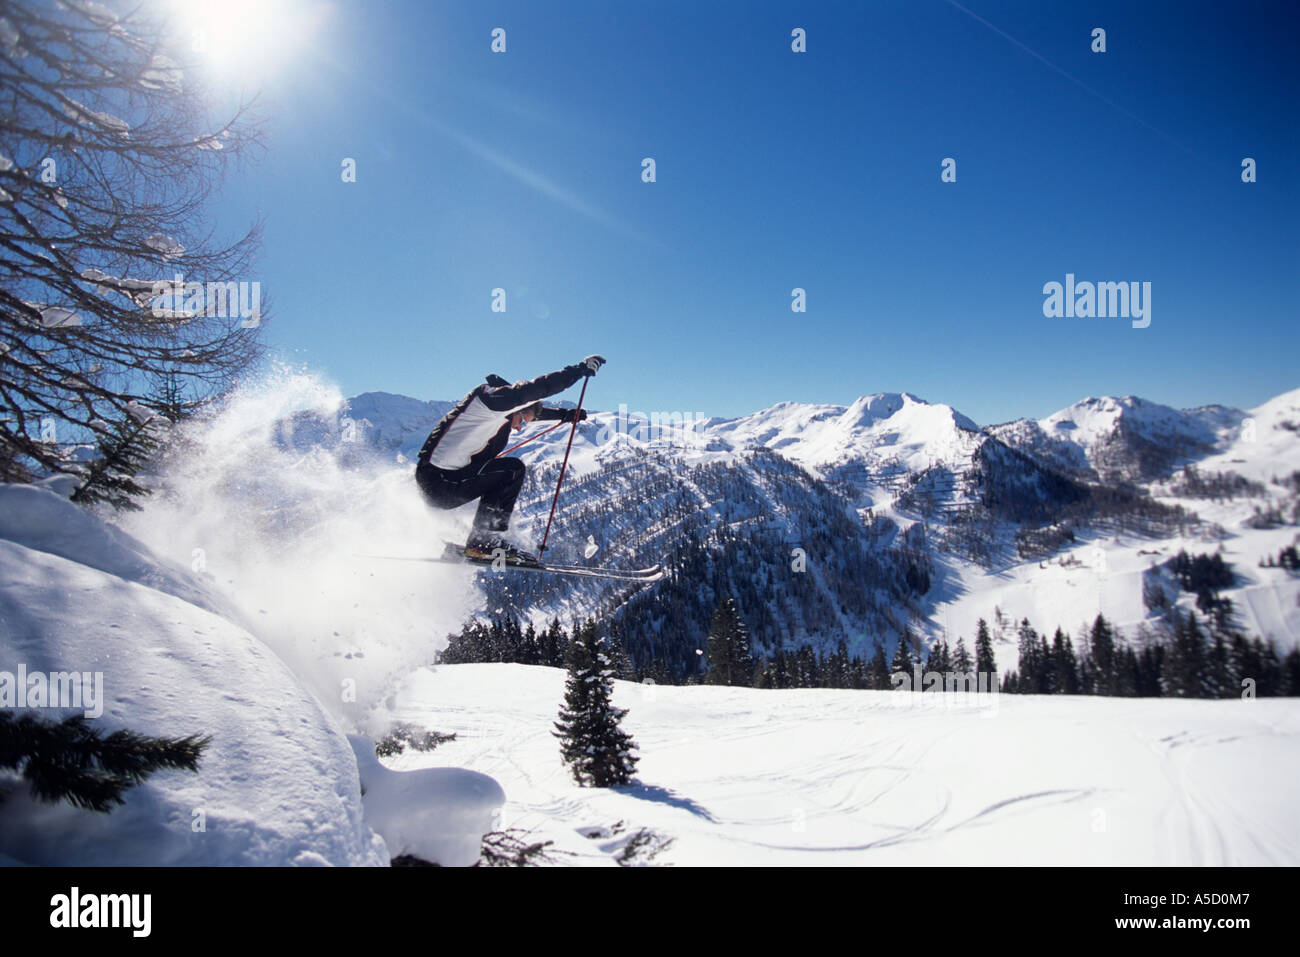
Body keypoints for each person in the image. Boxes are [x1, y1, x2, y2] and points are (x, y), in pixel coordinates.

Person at [415, 355, 605, 563]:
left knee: (504, 471)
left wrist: (564, 415)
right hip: (441, 482)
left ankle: (481, 541)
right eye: (521, 421)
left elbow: (528, 412)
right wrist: (578, 371)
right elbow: (536, 390)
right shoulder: (490, 401)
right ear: (518, 407)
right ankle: (484, 543)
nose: (518, 428)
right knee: (511, 471)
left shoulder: (497, 409)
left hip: (442, 480)